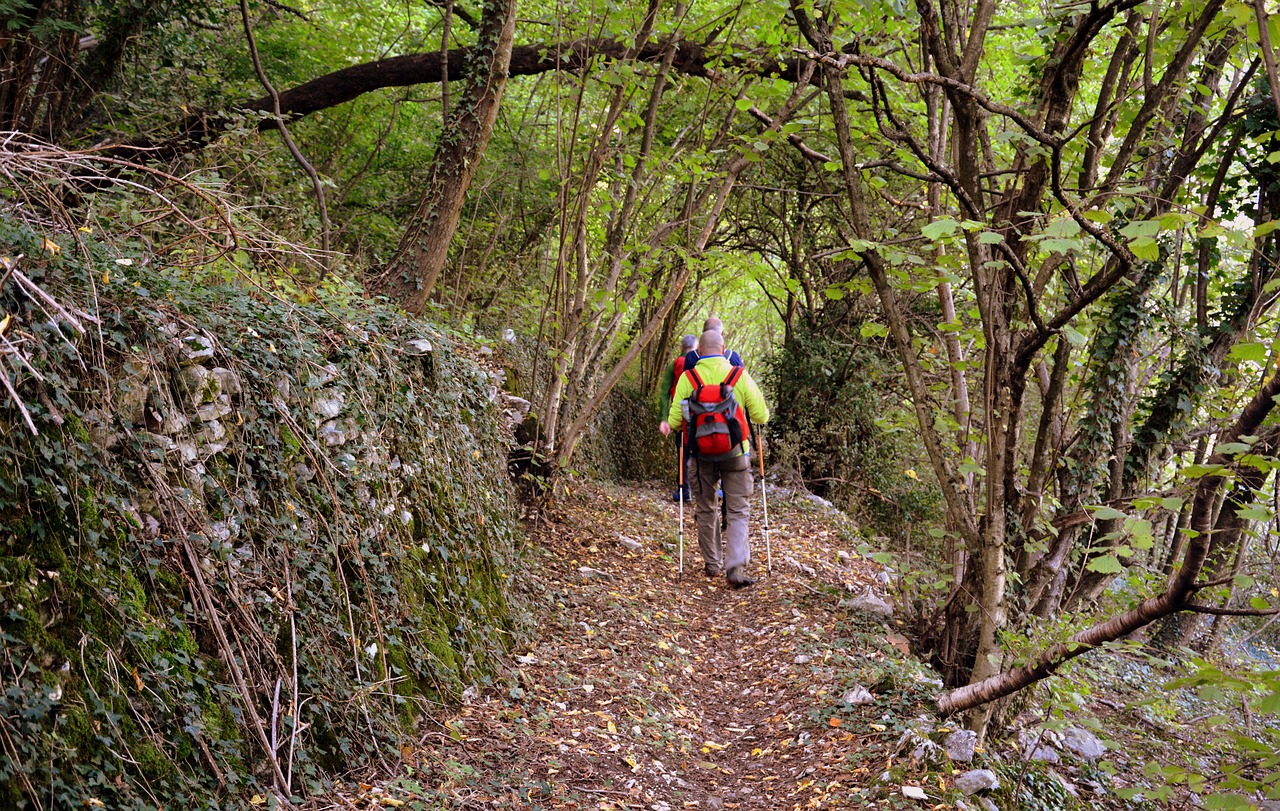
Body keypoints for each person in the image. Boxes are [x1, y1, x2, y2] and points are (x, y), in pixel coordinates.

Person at [660, 329, 769, 587]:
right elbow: (762, 416)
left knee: (706, 508)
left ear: (699, 352)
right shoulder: (739, 375)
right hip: (736, 454)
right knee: (738, 510)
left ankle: (712, 564)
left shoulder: (688, 378)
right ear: (724, 349)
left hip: (701, 455)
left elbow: (675, 421)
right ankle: (736, 567)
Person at [658, 334, 699, 502]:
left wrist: (664, 418)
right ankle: (705, 489)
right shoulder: (701, 363)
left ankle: (684, 489)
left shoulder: (674, 365)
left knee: (682, 452)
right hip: (701, 415)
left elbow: (663, 393)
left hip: (681, 414)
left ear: (681, 348)